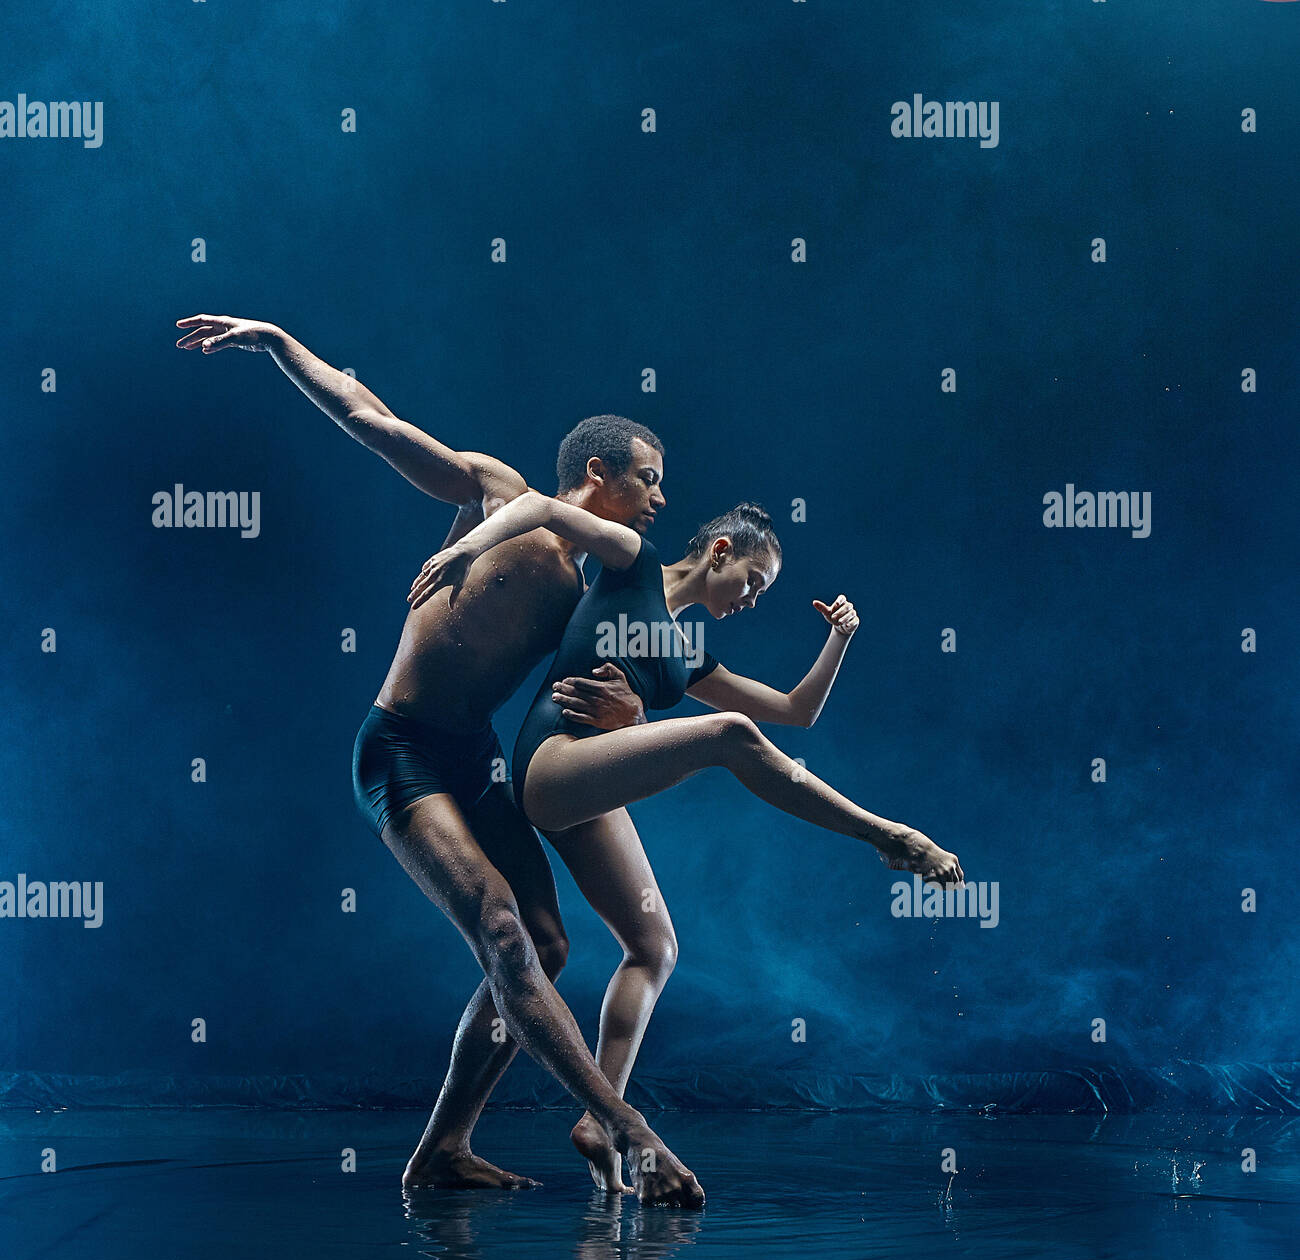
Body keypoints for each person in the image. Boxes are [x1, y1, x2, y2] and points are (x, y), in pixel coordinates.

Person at [175, 313, 704, 1206]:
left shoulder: (590, 593)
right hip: (401, 750)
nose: (659, 499)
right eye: (649, 480)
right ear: (598, 472)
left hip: (478, 757)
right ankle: (626, 1125)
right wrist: (275, 341)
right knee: (502, 933)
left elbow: (605, 691)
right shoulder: (498, 494)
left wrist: (630, 710)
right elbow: (371, 418)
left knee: (544, 942)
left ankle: (443, 1148)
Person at [409, 492, 964, 1189]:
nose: (753, 600)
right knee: (727, 738)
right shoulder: (632, 565)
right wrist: (468, 546)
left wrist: (840, 640)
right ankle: (887, 835)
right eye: (755, 583)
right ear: (722, 553)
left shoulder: (688, 653)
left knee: (655, 948)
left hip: (593, 782)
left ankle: (597, 1119)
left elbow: (796, 712)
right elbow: (542, 507)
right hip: (551, 764)